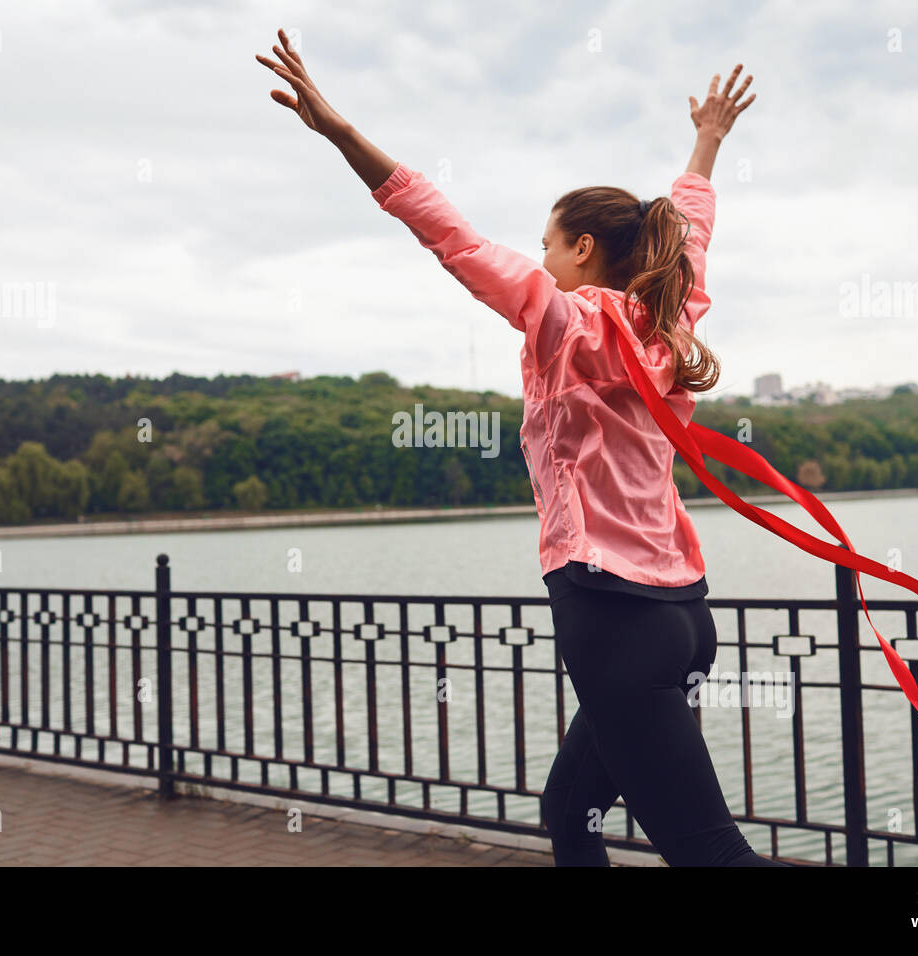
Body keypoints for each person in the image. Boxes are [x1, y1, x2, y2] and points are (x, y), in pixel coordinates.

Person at [256, 28, 785, 867]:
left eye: (546, 242)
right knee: (570, 807)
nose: (538, 254)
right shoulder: (671, 318)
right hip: (684, 616)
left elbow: (450, 236)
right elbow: (689, 225)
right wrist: (709, 140)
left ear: (581, 250)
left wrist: (340, 132)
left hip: (613, 612)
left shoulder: (562, 319)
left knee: (708, 851)